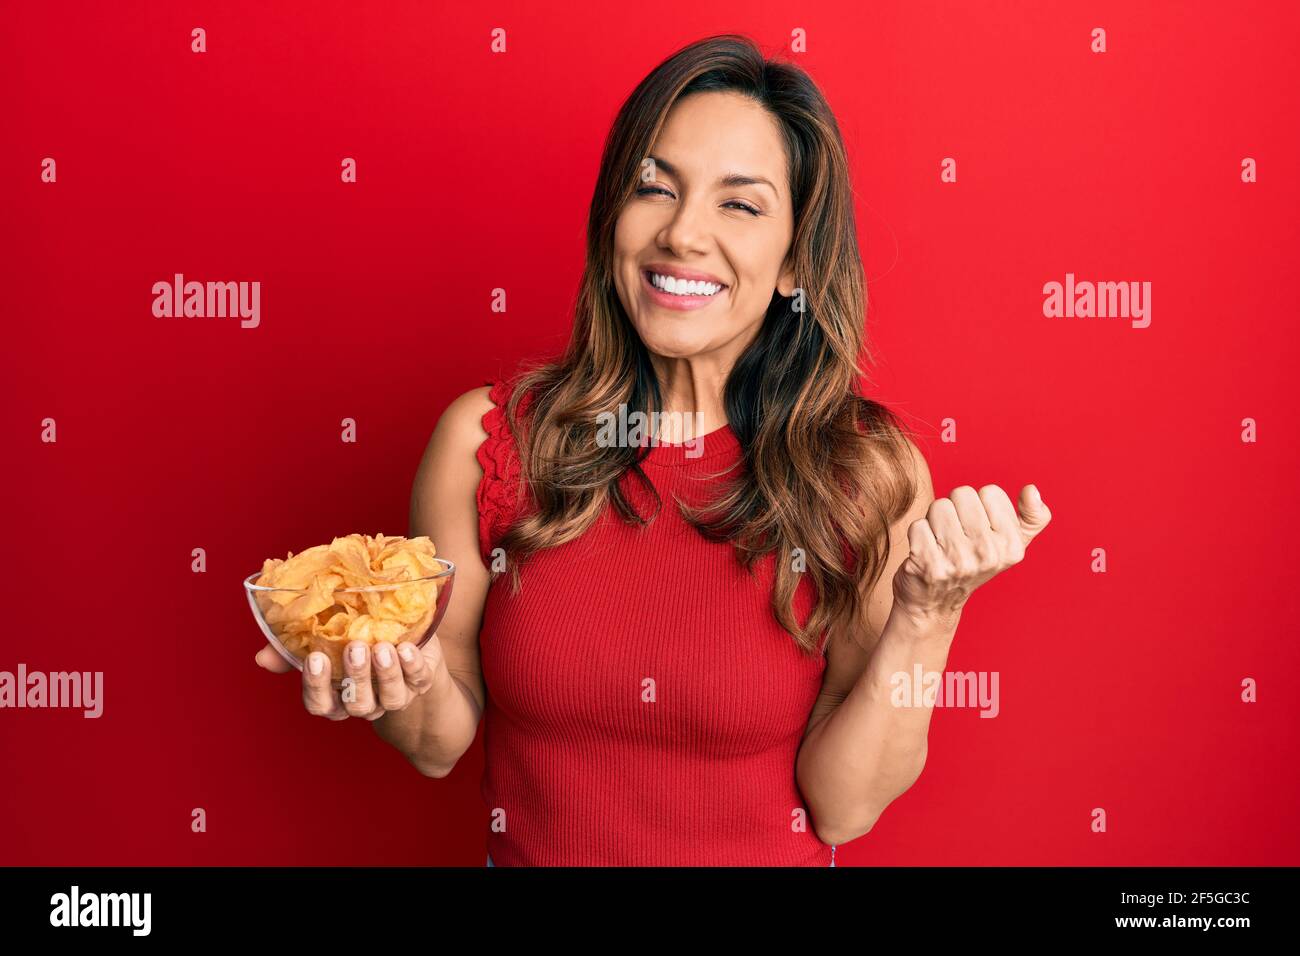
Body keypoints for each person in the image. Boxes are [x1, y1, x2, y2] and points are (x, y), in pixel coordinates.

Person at [255, 34, 1051, 866]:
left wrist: (929, 616)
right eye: (654, 188)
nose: (682, 234)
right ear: (613, 219)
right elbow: (436, 743)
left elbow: (845, 810)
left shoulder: (862, 472)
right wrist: (391, 677)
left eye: (740, 205)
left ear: (794, 262)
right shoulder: (486, 442)